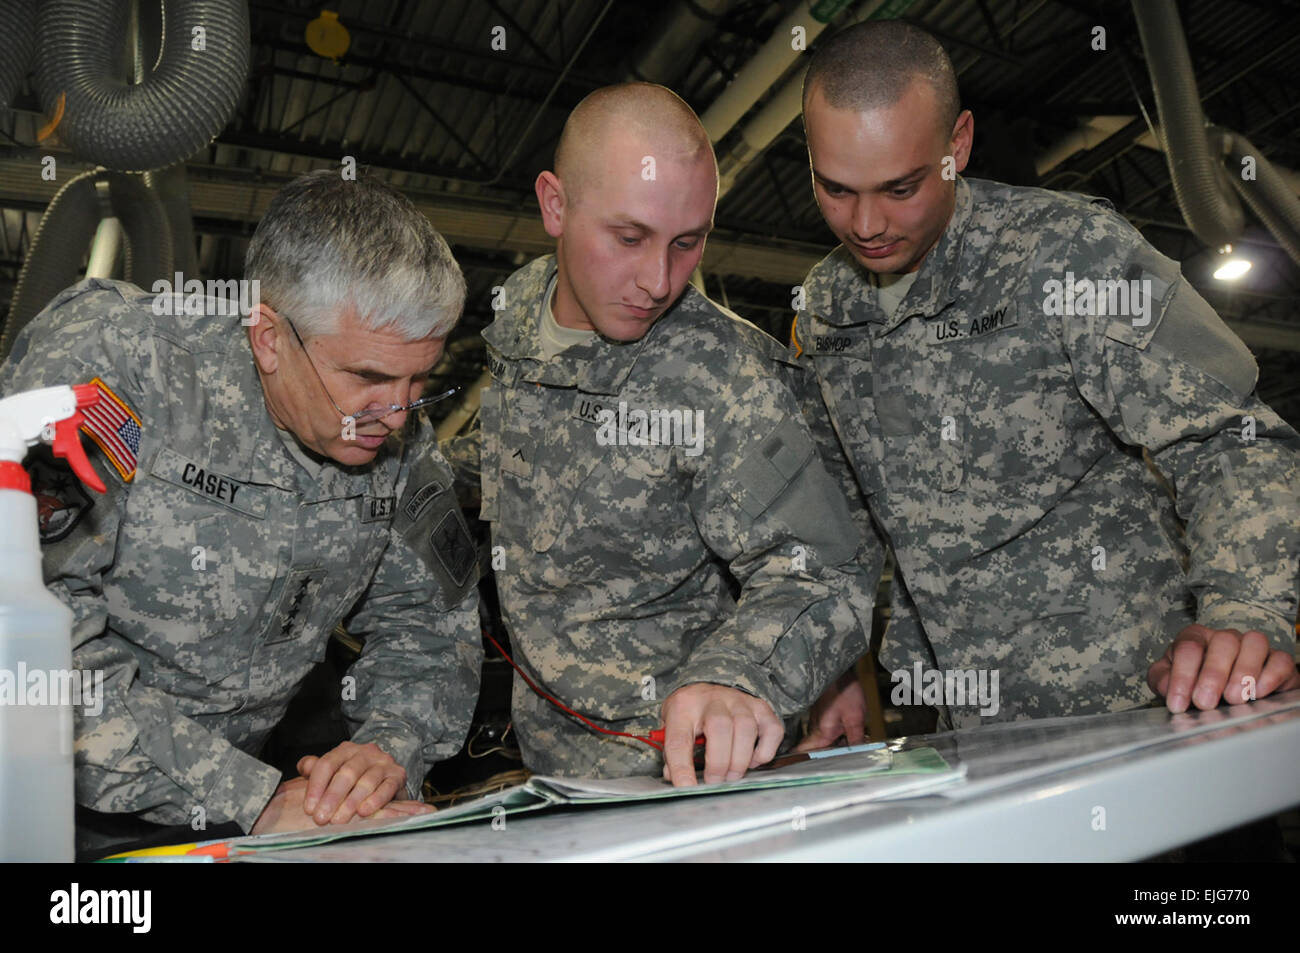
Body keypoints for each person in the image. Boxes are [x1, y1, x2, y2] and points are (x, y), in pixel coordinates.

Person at [792, 20, 1299, 743]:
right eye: (835, 188)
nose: (867, 223)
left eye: (900, 187)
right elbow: (841, 522)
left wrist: (1245, 611)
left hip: (1144, 713)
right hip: (960, 730)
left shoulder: (1068, 256)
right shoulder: (825, 310)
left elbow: (1233, 438)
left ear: (956, 145)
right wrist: (837, 670)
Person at [0, 170, 483, 854]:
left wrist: (386, 749)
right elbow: (34, 649)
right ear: (269, 338)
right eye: (368, 379)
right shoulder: (120, 368)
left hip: (252, 798)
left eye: (419, 380)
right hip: (50, 797)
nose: (398, 415)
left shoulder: (397, 433)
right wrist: (245, 796)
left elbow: (433, 624)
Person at [441, 82, 872, 786]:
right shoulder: (518, 327)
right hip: (552, 768)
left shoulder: (723, 375)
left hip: (692, 772)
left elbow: (824, 569)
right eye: (629, 237)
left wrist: (743, 677)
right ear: (555, 205)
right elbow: (525, 458)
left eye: (687, 242)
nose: (659, 279)